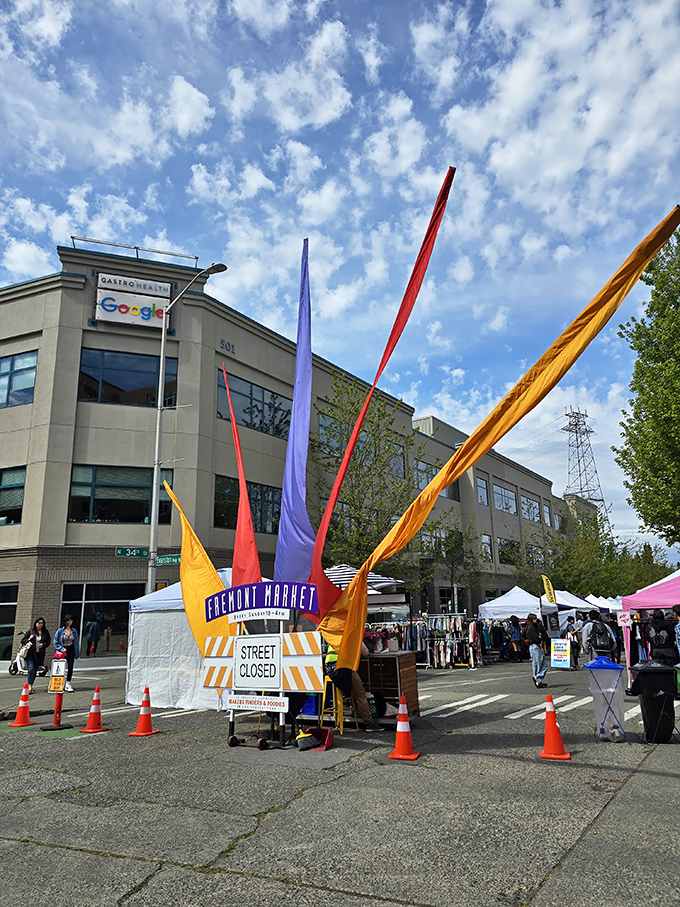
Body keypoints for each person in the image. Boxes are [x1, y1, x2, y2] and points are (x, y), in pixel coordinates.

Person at [20, 617, 51, 694]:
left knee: (35, 669)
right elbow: (23, 641)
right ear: (36, 623)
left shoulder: (45, 632)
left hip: (39, 654)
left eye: (42, 623)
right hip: (30, 654)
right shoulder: (31, 631)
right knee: (31, 668)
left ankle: (31, 684)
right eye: (39, 623)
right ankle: (29, 686)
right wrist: (29, 639)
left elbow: (48, 641)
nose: (40, 624)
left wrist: (43, 644)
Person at [53, 614, 81, 692]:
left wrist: (77, 653)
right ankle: (59, 683)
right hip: (63, 650)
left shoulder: (74, 631)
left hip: (71, 649)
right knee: (61, 667)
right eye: (68, 620)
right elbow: (55, 642)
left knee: (70, 666)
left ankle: (68, 683)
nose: (70, 622)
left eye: (71, 620)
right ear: (65, 622)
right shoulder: (60, 631)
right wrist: (61, 649)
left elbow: (76, 643)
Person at [525, 613, 548, 688]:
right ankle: (538, 678)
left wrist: (540, 637)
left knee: (537, 663)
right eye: (534, 618)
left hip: (534, 647)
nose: (536, 619)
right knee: (541, 664)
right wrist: (540, 637)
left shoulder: (533, 627)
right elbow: (538, 639)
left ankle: (538, 680)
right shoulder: (531, 628)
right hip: (535, 646)